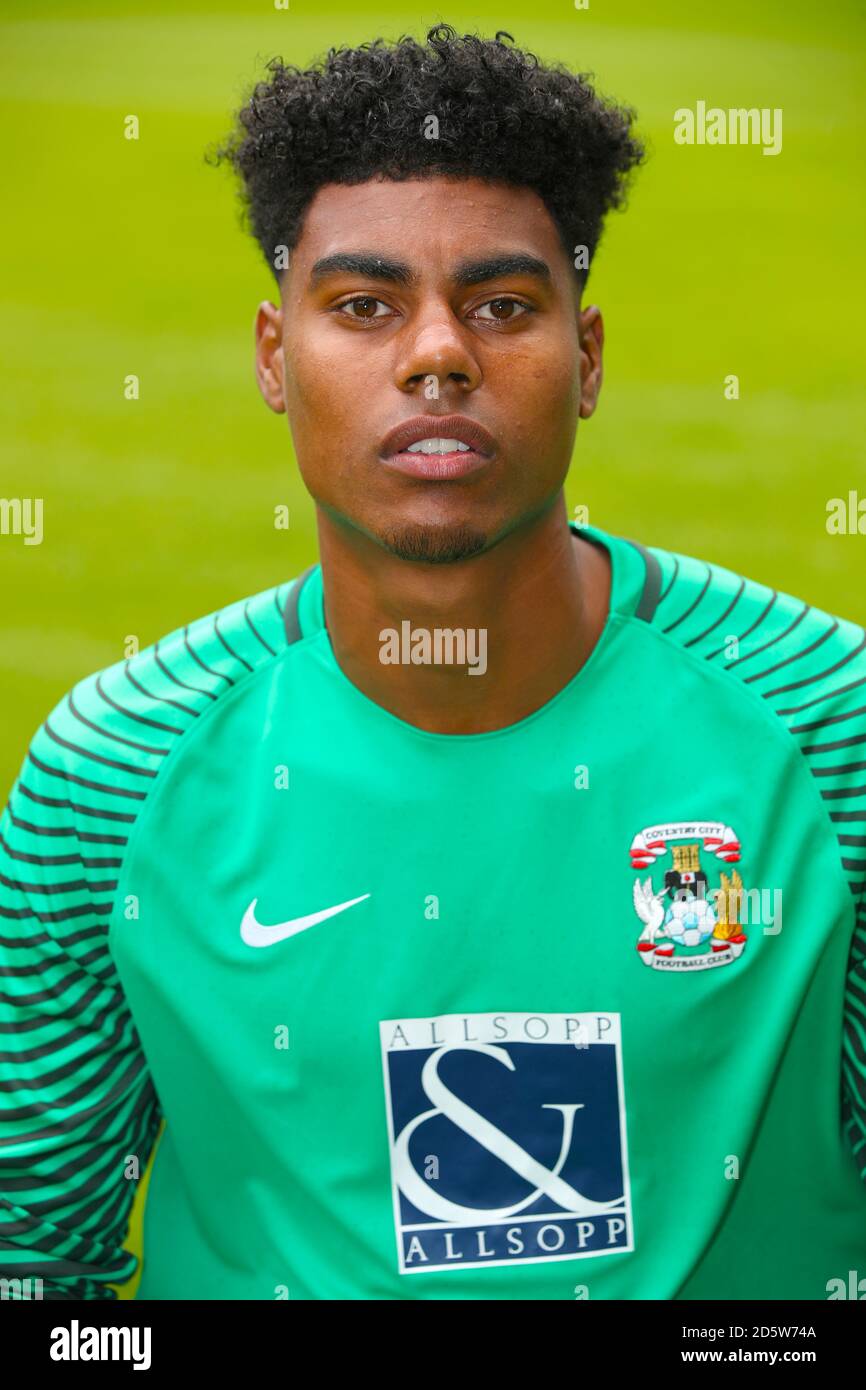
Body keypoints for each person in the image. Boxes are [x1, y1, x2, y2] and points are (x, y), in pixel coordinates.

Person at [1, 25, 863, 1302]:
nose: (437, 354)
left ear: (586, 359)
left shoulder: (825, 721)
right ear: (272, 356)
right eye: (363, 306)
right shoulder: (111, 771)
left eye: (503, 306)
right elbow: (32, 1256)